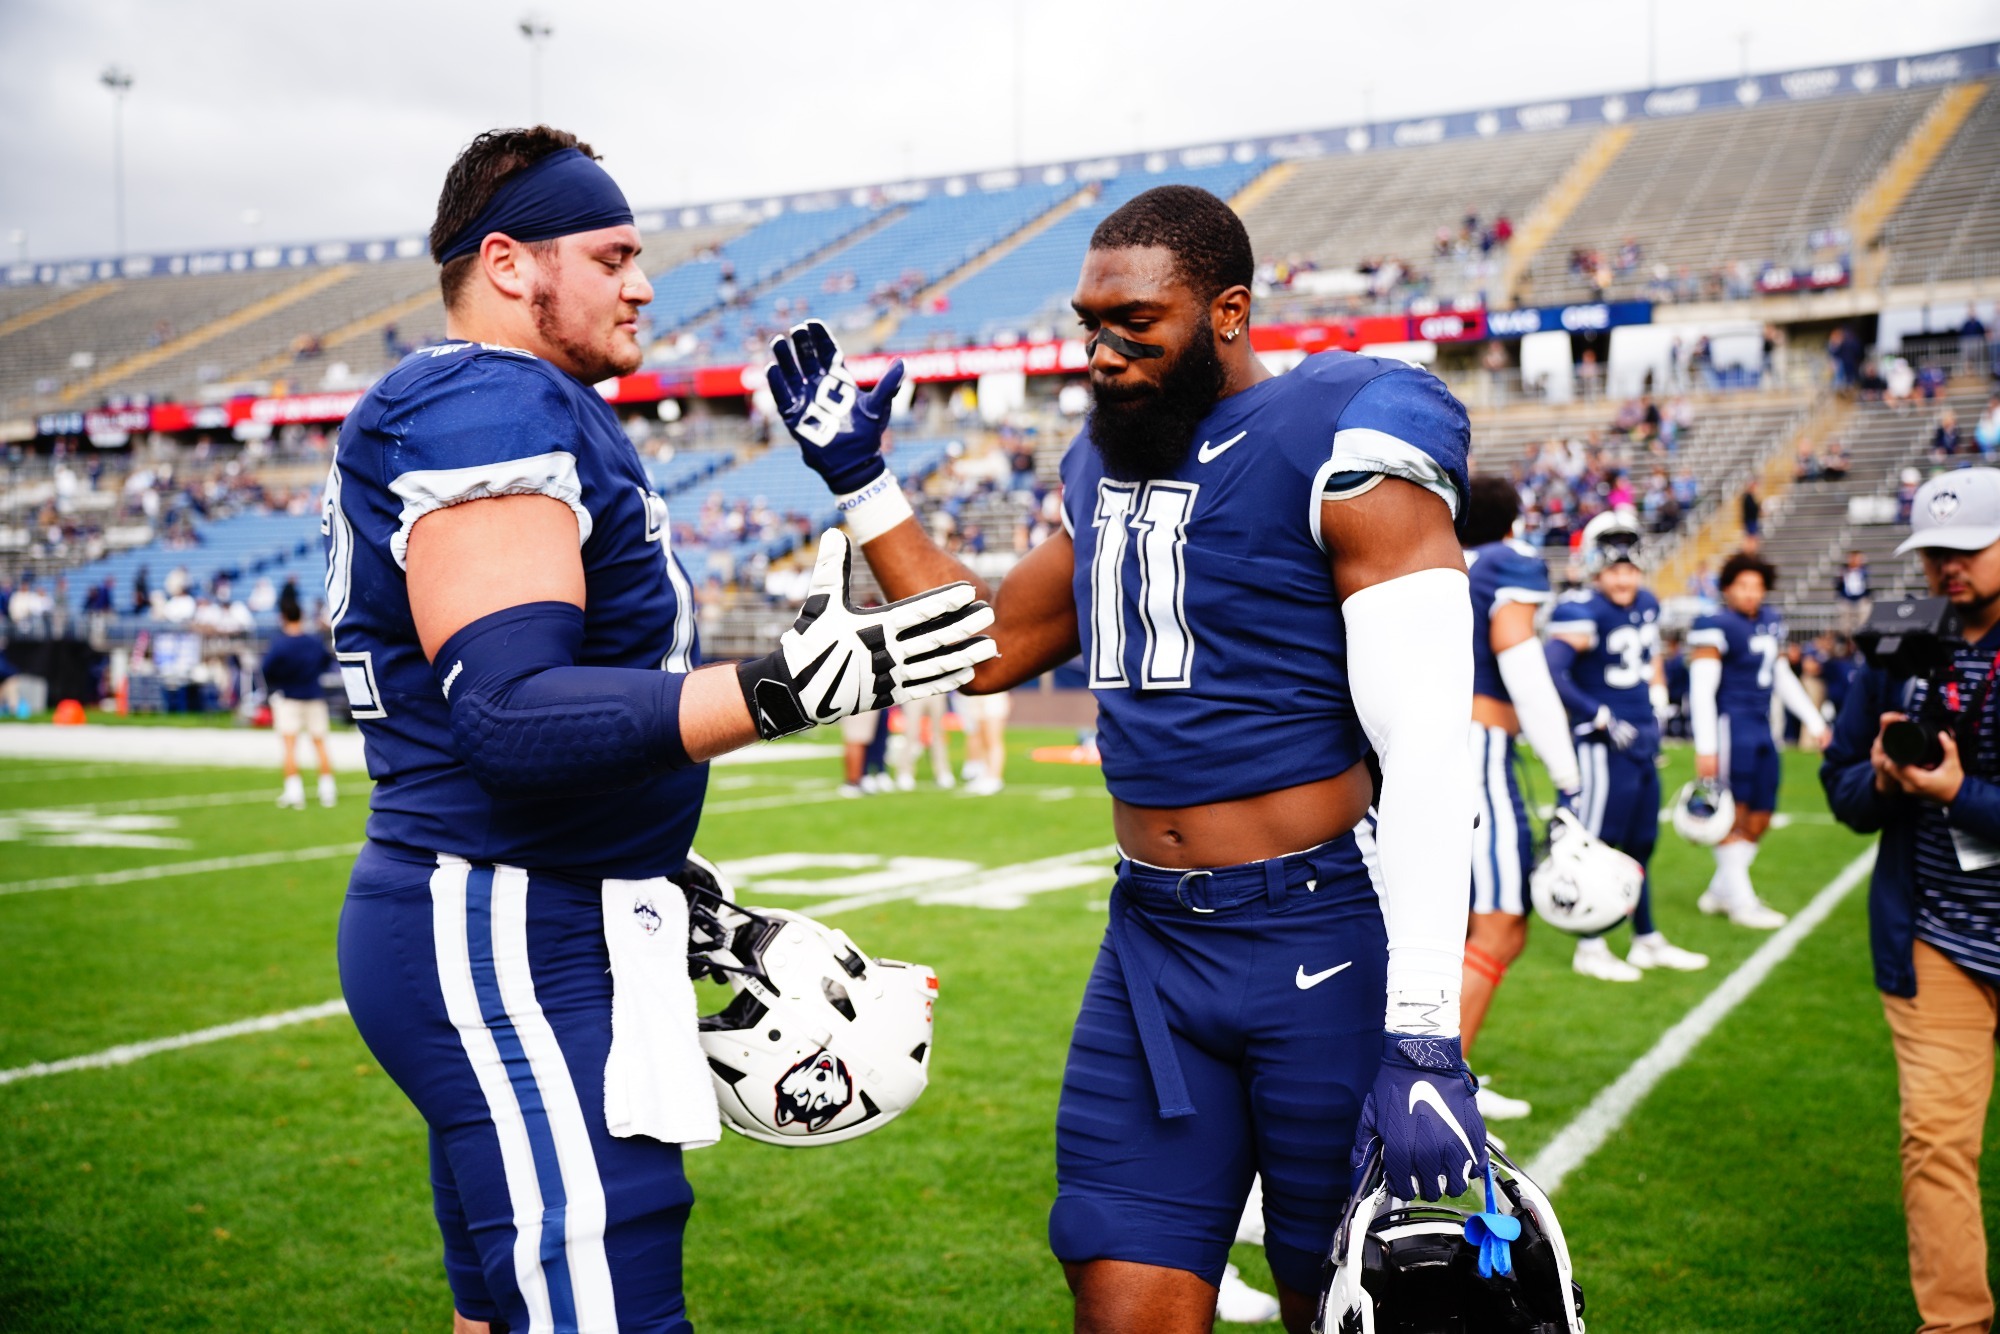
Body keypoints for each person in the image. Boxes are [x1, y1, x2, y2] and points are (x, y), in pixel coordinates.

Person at [767, 184, 1483, 1333]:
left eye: (1133, 324)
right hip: (1151, 940)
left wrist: (1421, 1028)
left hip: (1311, 934)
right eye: (1087, 323)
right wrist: (865, 487)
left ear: (1229, 311)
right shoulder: (1100, 465)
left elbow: (1428, 755)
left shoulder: (1336, 434)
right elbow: (988, 648)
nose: (1098, 352)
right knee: (1113, 1273)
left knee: (1342, 1294)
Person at [325, 126, 993, 1334]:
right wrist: (783, 687)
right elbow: (507, 714)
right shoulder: (488, 399)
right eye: (613, 252)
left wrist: (665, 877)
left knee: (510, 1309)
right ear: (511, 263)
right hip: (501, 920)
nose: (643, 284)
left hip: (538, 899)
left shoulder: (526, 404)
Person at [1822, 466, 2000, 1334]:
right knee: (1935, 1145)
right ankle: (1956, 1326)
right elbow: (1842, 790)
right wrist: (1890, 781)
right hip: (1934, 936)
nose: (1946, 567)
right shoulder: (1896, 649)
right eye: (1934, 552)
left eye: (1967, 548)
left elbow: (1965, 797)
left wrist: (1960, 796)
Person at [1458, 475, 1583, 1122]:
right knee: (1500, 923)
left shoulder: (1441, 559)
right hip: (1472, 754)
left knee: (1445, 929)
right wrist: (1569, 775)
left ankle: (1446, 1073)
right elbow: (1526, 677)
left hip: (1408, 752)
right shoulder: (1508, 565)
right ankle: (1439, 1089)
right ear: (1513, 523)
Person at [1546, 512, 1710, 981]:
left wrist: (1656, 703)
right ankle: (1590, 946)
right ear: (1598, 570)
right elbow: (1551, 671)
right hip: (1601, 745)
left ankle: (1645, 938)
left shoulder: (1646, 604)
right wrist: (1597, 715)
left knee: (1642, 843)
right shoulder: (1581, 609)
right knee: (1595, 845)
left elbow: (1650, 658)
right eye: (1614, 570)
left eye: (1630, 569)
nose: (1623, 578)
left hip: (1640, 740)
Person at [1686, 553, 1829, 929]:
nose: (1750, 594)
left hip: (1764, 725)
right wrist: (1706, 747)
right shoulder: (1714, 623)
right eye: (1743, 586)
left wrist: (1814, 721)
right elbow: (1701, 689)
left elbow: (1781, 676)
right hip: (1731, 726)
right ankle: (1742, 902)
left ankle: (1721, 891)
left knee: (1762, 815)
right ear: (1728, 588)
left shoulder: (1770, 620)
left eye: (1756, 586)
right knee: (1734, 814)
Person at [262, 588, 339, 809]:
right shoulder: (313, 642)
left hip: (289, 698)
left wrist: (278, 684)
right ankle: (328, 790)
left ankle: (294, 793)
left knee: (289, 746)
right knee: (320, 743)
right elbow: (326, 661)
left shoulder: (280, 644)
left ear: (283, 617)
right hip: (314, 695)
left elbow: (267, 670)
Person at [1837, 549, 1873, 635]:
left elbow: (1868, 585)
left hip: (1861, 599)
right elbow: (1838, 584)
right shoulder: (1844, 570)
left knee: (1863, 622)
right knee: (1845, 625)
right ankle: (1847, 640)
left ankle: (1863, 636)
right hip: (1846, 599)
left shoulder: (1864, 570)